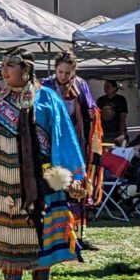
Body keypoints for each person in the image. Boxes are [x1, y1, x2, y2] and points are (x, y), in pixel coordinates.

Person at [0, 48, 87, 280]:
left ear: (26, 69)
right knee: (8, 225)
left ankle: (41, 279)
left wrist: (71, 177)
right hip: (4, 176)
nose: (4, 71)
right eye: (3, 66)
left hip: (41, 175)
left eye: (10, 66)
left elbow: (63, 138)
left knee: (40, 222)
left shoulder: (48, 99)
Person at [42, 51, 102, 249]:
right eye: (60, 72)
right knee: (56, 184)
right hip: (53, 141)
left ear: (74, 72)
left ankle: (77, 234)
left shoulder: (81, 85)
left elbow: (90, 107)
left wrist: (93, 113)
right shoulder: (47, 85)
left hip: (76, 140)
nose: (63, 76)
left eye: (67, 73)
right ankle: (57, 233)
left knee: (77, 185)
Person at [97, 80, 129, 146]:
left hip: (117, 131)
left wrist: (122, 133)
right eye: (104, 87)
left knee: (120, 152)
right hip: (105, 132)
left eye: (108, 87)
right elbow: (98, 117)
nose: (105, 89)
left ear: (114, 88)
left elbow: (123, 117)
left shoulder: (121, 99)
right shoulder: (100, 100)